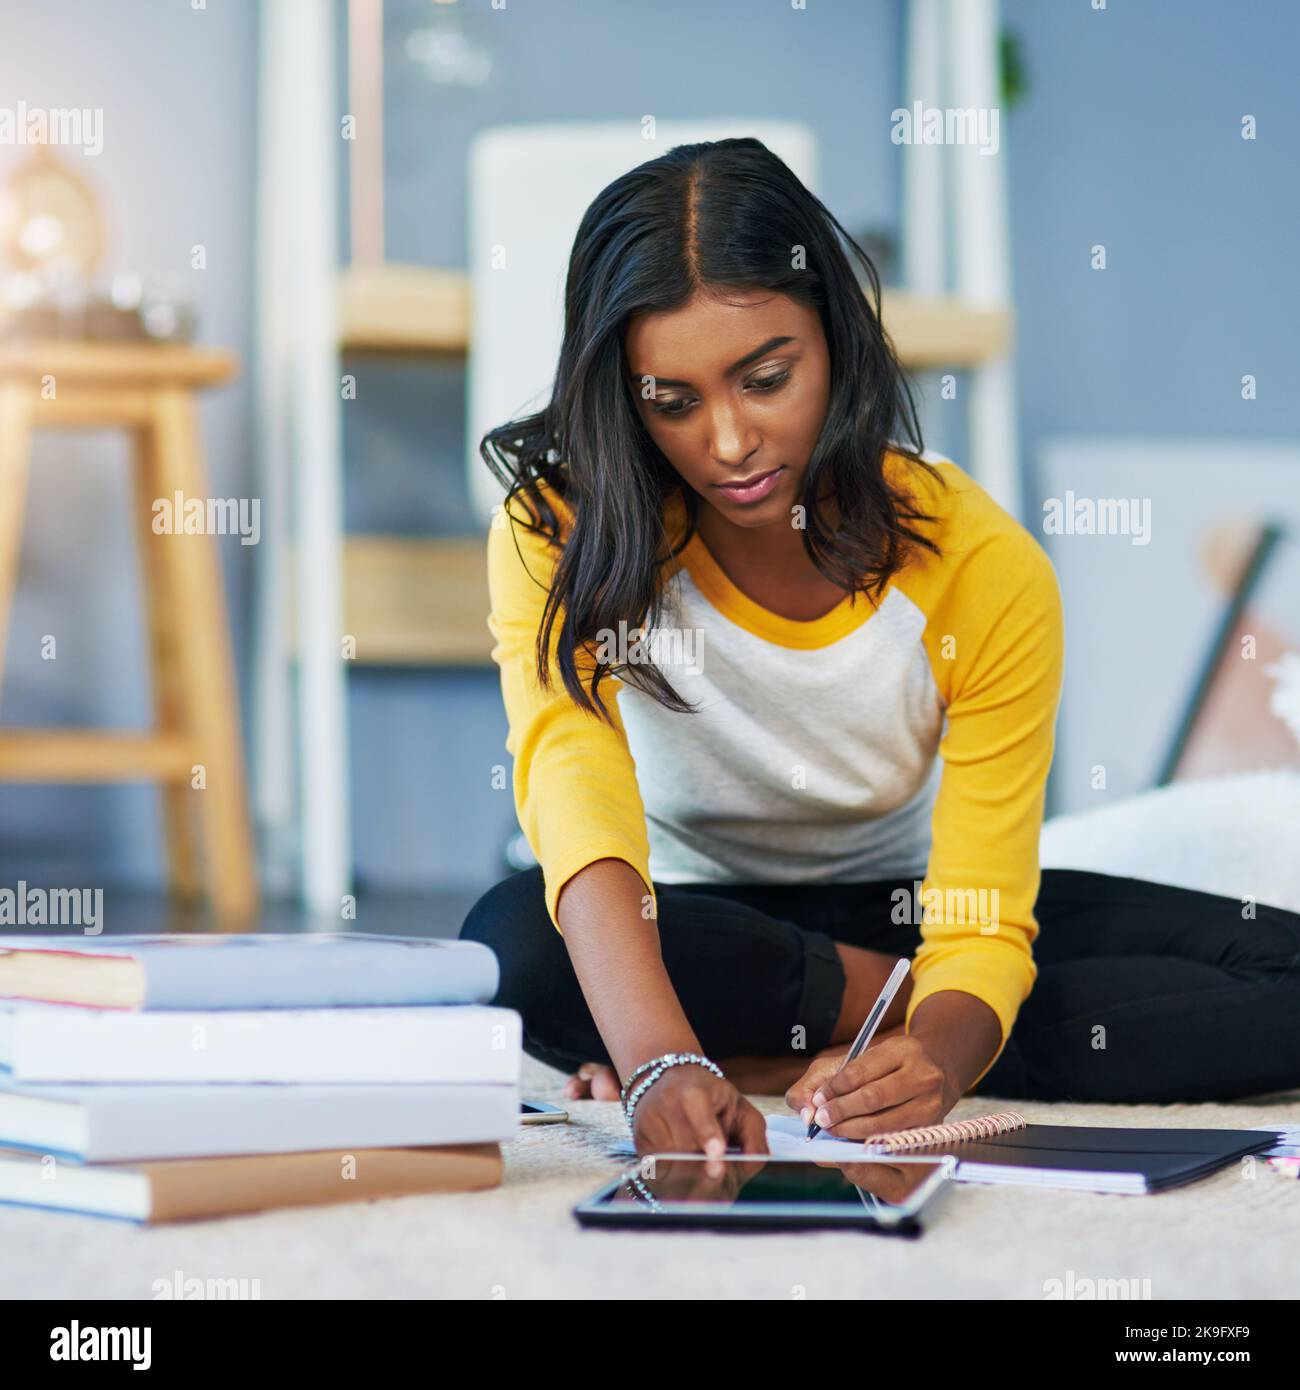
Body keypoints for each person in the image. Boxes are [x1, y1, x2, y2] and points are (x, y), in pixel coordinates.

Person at [461, 137, 1300, 1158]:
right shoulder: (562, 530)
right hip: (684, 921)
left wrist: (939, 1058)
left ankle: (818, 1046)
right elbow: (572, 788)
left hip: (916, 905)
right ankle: (791, 1029)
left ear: (836, 339)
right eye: (671, 401)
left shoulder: (983, 563)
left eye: (765, 378)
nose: (726, 442)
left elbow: (982, 914)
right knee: (516, 946)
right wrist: (659, 1059)